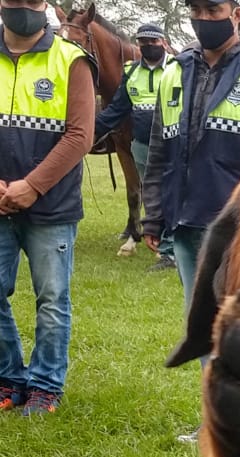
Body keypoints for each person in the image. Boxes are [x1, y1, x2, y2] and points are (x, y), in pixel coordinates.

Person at [141, 0, 240, 442]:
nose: (204, 19)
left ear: (237, 14)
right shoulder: (174, 71)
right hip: (187, 223)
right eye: (196, 9)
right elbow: (158, 150)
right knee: (206, 326)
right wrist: (153, 216)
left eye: (213, 9)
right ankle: (218, 422)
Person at [0, 0, 94, 415]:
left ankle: (44, 385)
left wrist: (32, 186)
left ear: (46, 6)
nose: (23, 8)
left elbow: (79, 135)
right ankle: (8, 377)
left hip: (51, 207)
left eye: (32, 1)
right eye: (13, 0)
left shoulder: (72, 60)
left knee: (52, 300)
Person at [93, 21, 175, 271]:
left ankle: (170, 251)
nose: (148, 46)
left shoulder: (178, 68)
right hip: (141, 144)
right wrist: (90, 129)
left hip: (172, 143)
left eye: (153, 41)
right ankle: (161, 244)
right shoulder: (131, 73)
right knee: (151, 195)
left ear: (163, 42)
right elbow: (117, 109)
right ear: (137, 45)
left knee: (171, 192)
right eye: (143, 42)